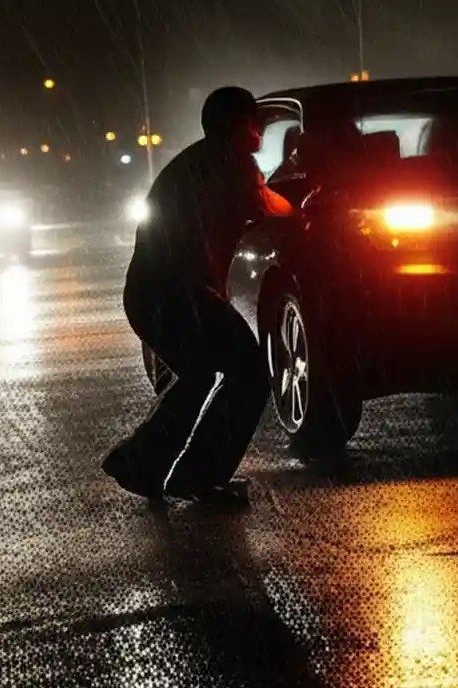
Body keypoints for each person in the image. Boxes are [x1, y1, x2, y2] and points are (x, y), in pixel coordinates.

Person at [103, 86, 292, 504]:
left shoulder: (194, 161)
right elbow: (272, 209)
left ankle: (140, 463)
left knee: (199, 375)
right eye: (252, 122)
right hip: (178, 296)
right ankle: (198, 476)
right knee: (249, 372)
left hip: (149, 295)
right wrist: (306, 204)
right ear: (232, 126)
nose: (259, 132)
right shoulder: (232, 164)